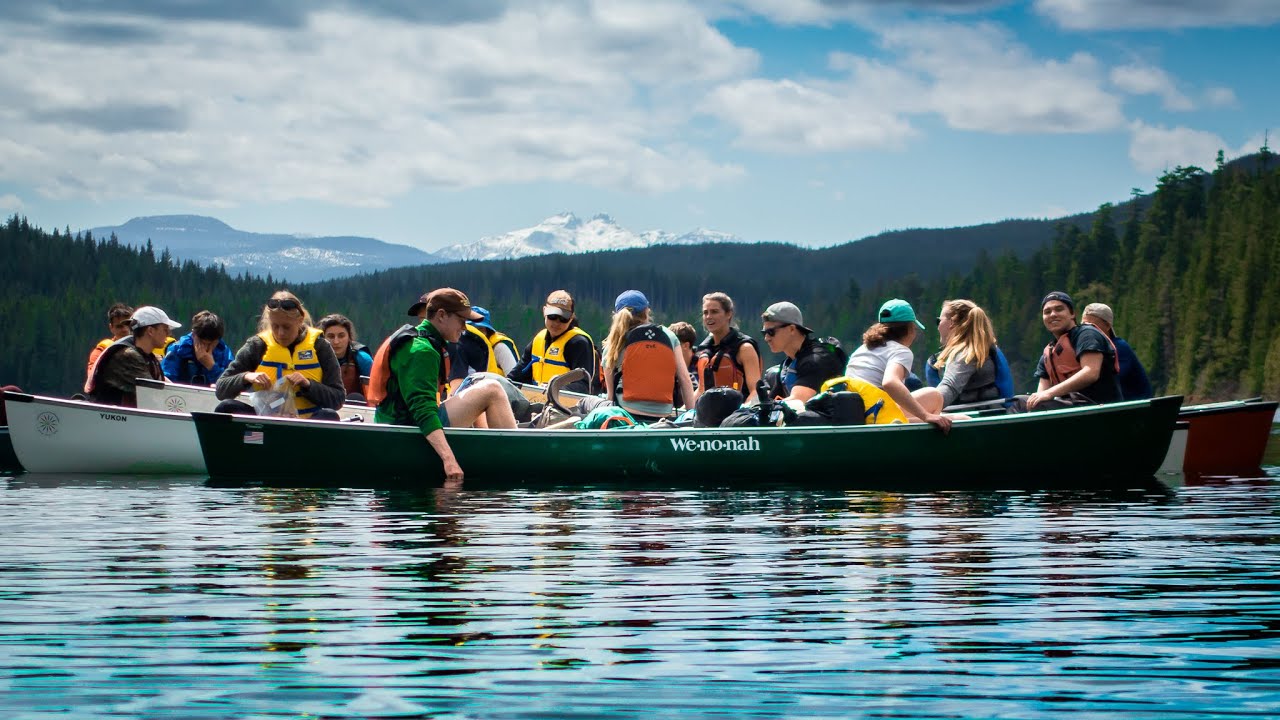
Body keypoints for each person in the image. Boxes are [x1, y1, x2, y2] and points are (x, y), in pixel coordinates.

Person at [370, 288, 517, 482]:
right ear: (441, 315)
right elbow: (422, 410)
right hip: (405, 429)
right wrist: (449, 460)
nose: (465, 328)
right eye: (461, 320)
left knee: (479, 387)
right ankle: (513, 459)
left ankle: (489, 451)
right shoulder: (422, 351)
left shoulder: (421, 340)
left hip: (399, 421)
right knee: (492, 389)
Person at [215, 291, 345, 419]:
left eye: (286, 327)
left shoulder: (320, 346)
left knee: (329, 415)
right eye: (275, 326)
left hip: (306, 424)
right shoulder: (257, 345)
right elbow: (221, 389)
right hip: (265, 423)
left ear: (300, 320)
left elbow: (337, 399)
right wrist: (246, 377)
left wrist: (308, 385)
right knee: (225, 407)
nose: (280, 333)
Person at [844, 299, 952, 432]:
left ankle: (901, 422)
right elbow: (890, 382)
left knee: (957, 418)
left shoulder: (862, 349)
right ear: (910, 329)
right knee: (934, 395)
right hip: (877, 412)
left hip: (857, 413)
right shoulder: (901, 350)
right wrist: (925, 415)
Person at [601, 290, 695, 421]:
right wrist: (691, 415)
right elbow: (684, 379)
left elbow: (610, 397)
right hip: (663, 413)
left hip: (627, 413)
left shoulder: (615, 342)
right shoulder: (669, 336)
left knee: (588, 403)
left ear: (617, 315)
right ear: (647, 311)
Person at [1022, 291, 1121, 410]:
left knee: (1039, 405)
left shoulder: (1087, 334)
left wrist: (1049, 393)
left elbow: (1091, 373)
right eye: (1047, 312)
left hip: (1098, 408)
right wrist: (1033, 404)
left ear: (1072, 314)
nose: (1053, 314)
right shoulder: (1048, 352)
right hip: (1070, 407)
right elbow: (1041, 392)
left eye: (1059, 309)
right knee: (1018, 403)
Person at [84, 306, 181, 407]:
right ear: (150, 331)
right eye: (165, 329)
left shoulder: (148, 356)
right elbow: (154, 394)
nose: (169, 333)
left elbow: (164, 385)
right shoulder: (128, 356)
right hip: (108, 416)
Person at [506, 290, 598, 395]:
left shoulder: (578, 343)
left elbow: (583, 386)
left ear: (571, 317)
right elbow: (516, 376)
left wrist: (554, 388)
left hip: (567, 406)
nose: (557, 322)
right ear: (544, 311)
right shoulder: (538, 340)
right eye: (552, 316)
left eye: (563, 318)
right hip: (537, 401)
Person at [926, 299, 1009, 408]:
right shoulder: (984, 349)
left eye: (939, 321)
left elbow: (950, 387)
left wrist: (921, 410)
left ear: (951, 322)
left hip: (975, 418)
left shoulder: (965, 353)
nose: (938, 327)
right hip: (995, 411)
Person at [759, 301, 845, 404]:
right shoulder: (789, 363)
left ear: (791, 329)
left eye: (770, 332)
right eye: (764, 333)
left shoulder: (816, 359)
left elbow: (796, 402)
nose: (766, 338)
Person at [694, 292, 762, 404]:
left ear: (728, 314)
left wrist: (742, 413)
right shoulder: (705, 350)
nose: (708, 317)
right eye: (705, 313)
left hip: (739, 414)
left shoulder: (745, 348)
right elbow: (701, 390)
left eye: (714, 312)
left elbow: (755, 391)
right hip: (709, 415)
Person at [1081, 302, 1153, 400]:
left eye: (1092, 326)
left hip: (1137, 406)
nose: (1087, 330)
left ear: (1107, 326)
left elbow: (1108, 381)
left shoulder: (1119, 348)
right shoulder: (1093, 349)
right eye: (1084, 326)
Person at [162, 310, 234, 386]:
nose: (206, 348)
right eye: (203, 343)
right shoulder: (177, 350)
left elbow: (231, 385)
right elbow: (167, 381)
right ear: (194, 335)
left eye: (211, 344)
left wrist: (211, 366)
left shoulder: (224, 352)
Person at [318, 314, 374, 400]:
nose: (336, 342)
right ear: (323, 338)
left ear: (349, 337)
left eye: (341, 336)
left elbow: (374, 394)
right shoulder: (313, 358)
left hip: (354, 410)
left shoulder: (363, 359)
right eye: (331, 336)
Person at [86, 302, 134, 383]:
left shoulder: (145, 349)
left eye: (128, 325)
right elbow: (93, 378)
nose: (125, 330)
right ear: (111, 328)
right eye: (119, 326)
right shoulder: (101, 351)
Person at [466, 307, 519, 376]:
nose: (476, 333)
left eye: (480, 329)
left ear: (488, 331)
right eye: (473, 329)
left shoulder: (499, 347)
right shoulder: (461, 347)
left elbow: (515, 379)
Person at [668, 321, 699, 398]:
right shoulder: (667, 366)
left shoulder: (703, 364)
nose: (668, 348)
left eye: (672, 344)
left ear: (685, 345)